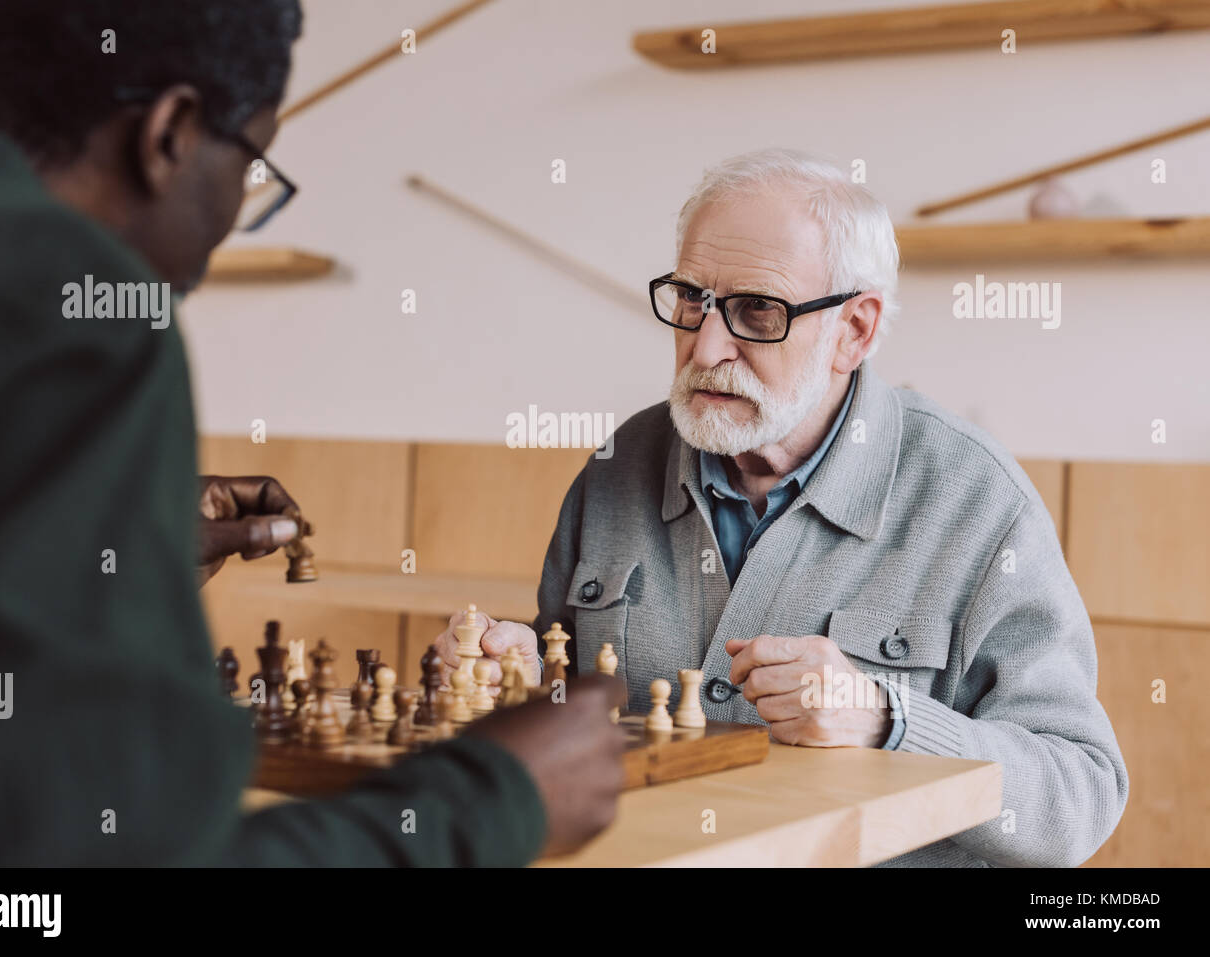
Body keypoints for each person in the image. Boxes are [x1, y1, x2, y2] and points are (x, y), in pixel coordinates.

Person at [0, 0, 624, 866]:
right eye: (250, 165)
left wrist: (90, 552)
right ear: (170, 133)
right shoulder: (71, 299)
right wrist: (490, 803)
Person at [435, 148, 1129, 868]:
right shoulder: (620, 464)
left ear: (854, 331)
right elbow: (567, 703)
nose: (705, 346)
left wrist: (889, 719)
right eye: (691, 299)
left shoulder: (977, 501)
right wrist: (513, 673)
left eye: (756, 310)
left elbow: (1080, 796)